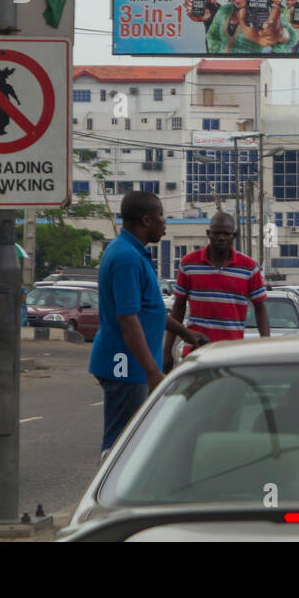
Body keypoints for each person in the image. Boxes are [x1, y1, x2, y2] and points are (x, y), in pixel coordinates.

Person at [89, 192, 198, 457]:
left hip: (131, 363)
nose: (164, 223)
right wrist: (152, 372)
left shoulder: (132, 252)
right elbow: (128, 319)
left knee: (134, 441)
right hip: (125, 364)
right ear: (147, 219)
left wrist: (186, 333)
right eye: (162, 217)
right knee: (119, 447)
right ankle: (106, 496)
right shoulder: (126, 258)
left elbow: (150, 310)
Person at [166, 211, 269, 363]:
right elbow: (178, 307)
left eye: (226, 234)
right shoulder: (189, 264)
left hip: (233, 353)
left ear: (234, 236)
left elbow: (260, 308)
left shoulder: (249, 268)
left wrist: (266, 347)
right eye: (216, 233)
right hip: (196, 351)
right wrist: (166, 350)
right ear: (208, 234)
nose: (221, 238)